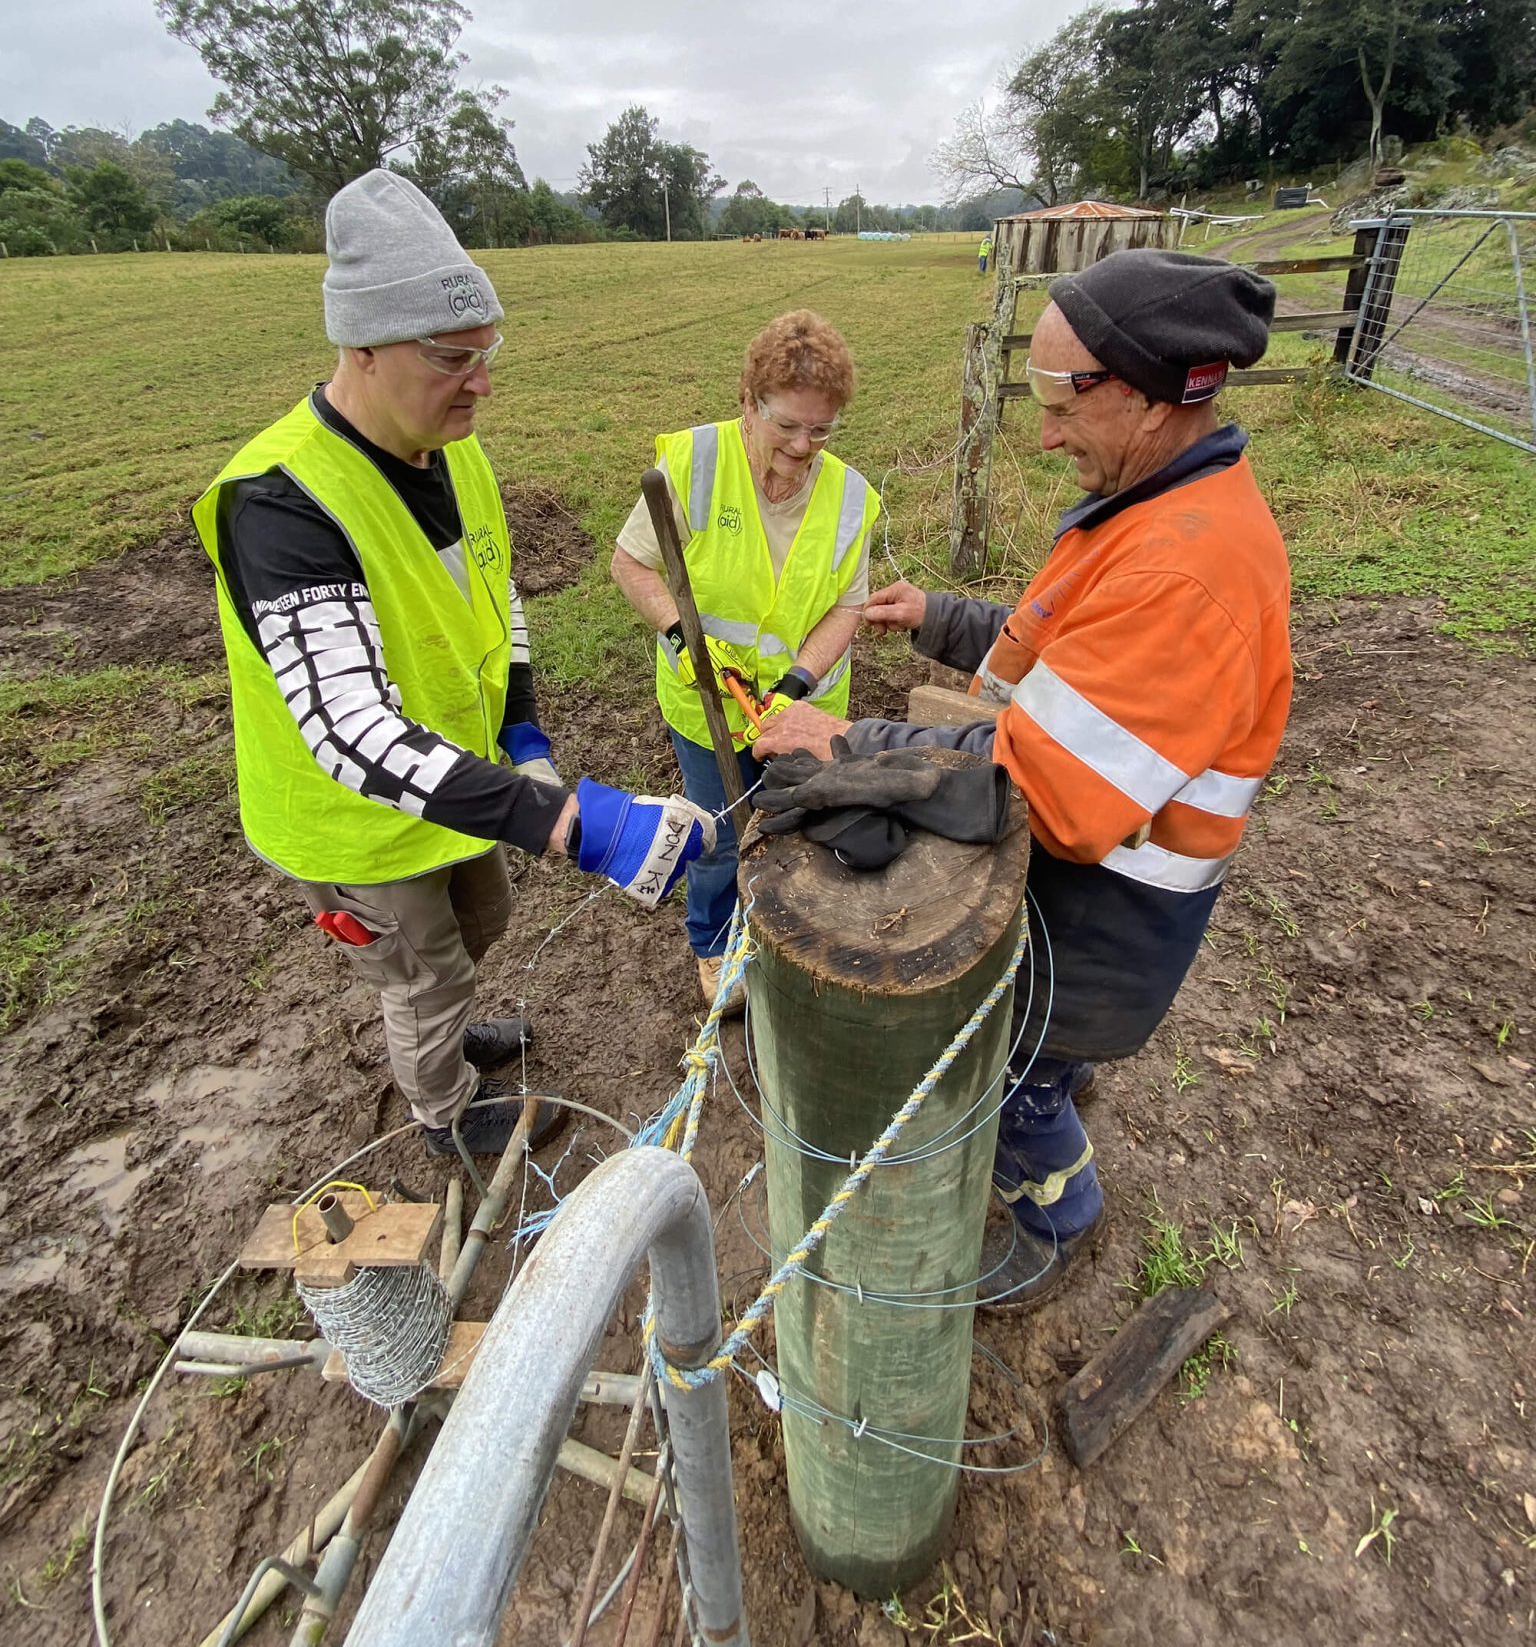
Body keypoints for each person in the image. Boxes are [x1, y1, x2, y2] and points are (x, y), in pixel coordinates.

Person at [754, 249, 1292, 1304]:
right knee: (1044, 1052)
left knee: (1008, 1067)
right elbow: (1071, 652)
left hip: (1105, 921)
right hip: (1094, 906)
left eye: (1058, 401)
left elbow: (1045, 784)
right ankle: (1063, 1079)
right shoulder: (1159, 507)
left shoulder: (1186, 569)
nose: (1044, 431)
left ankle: (1057, 1216)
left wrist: (848, 746)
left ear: (1139, 396)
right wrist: (947, 620)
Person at [192, 170, 713, 1158]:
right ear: (361, 345)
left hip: (456, 781)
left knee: (475, 922)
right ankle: (443, 1106)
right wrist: (567, 819)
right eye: (451, 357)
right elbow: (350, 729)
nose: (482, 382)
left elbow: (495, 588)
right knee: (419, 967)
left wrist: (521, 726)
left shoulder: (454, 445)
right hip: (360, 826)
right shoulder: (280, 502)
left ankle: (448, 1022)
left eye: (488, 353)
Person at [611, 311, 881, 1009]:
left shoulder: (849, 497)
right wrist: (682, 640)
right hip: (708, 709)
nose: (802, 446)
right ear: (747, 404)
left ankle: (792, 939)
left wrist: (798, 683)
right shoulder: (694, 465)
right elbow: (631, 565)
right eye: (786, 425)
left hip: (804, 706)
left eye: (820, 429)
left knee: (799, 827)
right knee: (720, 837)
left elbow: (848, 607)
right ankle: (715, 946)